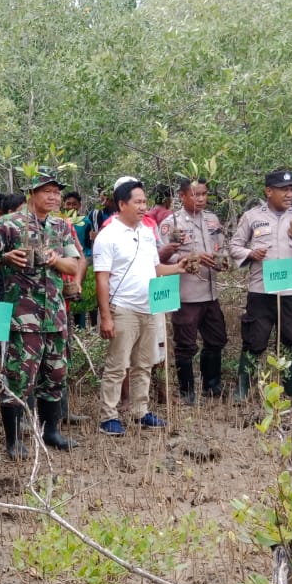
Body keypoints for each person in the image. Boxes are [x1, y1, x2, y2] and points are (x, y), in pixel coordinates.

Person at [0, 168, 81, 458]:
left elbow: (74, 266)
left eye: (56, 192)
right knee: (18, 377)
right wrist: (4, 257)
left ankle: (51, 431)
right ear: (32, 193)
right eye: (47, 191)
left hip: (54, 316)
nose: (53, 197)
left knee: (55, 375)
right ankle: (14, 440)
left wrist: (56, 260)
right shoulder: (9, 224)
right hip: (23, 317)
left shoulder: (61, 226)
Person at [94, 177, 186, 434]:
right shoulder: (108, 235)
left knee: (144, 364)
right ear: (122, 204)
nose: (143, 206)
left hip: (150, 307)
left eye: (145, 201)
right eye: (137, 202)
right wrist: (106, 317)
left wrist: (179, 267)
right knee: (117, 365)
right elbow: (101, 278)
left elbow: (155, 268)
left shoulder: (147, 233)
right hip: (123, 308)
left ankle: (140, 411)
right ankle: (108, 416)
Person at [228, 169, 292, 402]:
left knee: (291, 338)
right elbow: (234, 246)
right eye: (283, 189)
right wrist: (251, 253)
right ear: (269, 191)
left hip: (289, 290)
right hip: (261, 290)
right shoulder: (251, 216)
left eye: (291, 189)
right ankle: (243, 389)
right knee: (254, 340)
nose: (289, 194)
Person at [158, 176, 228, 401]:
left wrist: (222, 260)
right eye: (195, 194)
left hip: (210, 292)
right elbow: (161, 256)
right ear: (182, 196)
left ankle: (212, 385)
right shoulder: (172, 223)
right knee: (185, 345)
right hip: (186, 295)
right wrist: (189, 257)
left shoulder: (212, 219)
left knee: (216, 339)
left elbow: (221, 247)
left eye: (204, 194)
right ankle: (187, 391)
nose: (200, 199)